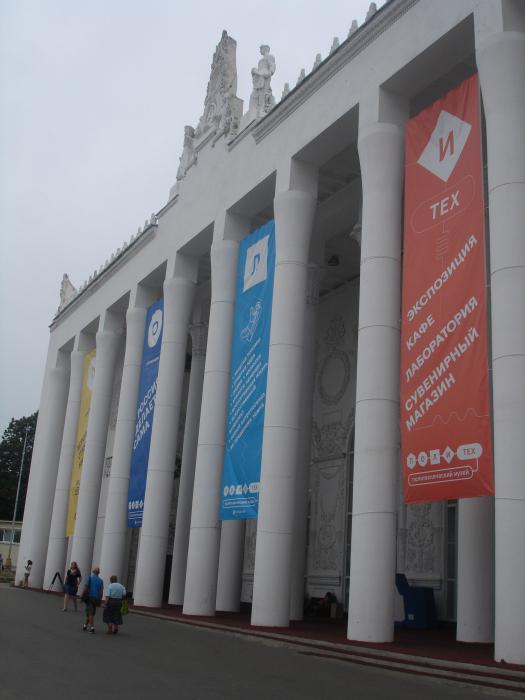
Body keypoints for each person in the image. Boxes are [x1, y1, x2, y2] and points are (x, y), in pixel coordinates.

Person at [80, 567, 104, 633]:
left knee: (90, 613)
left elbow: (85, 588)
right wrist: (100, 600)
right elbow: (101, 591)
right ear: (98, 573)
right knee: (91, 613)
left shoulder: (89, 578)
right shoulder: (101, 581)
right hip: (96, 598)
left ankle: (92, 628)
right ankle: (85, 625)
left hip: (89, 597)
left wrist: (81, 596)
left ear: (93, 572)